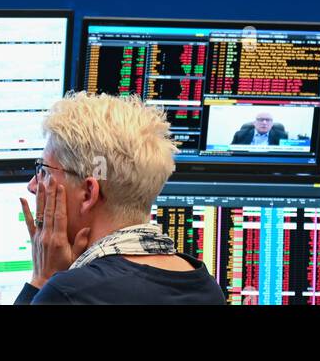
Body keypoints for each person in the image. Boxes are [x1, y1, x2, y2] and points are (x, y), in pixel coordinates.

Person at [15, 92, 225, 305]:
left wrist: (42, 279)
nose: (33, 185)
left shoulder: (69, 294)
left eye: (44, 171)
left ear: (88, 194)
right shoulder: (207, 287)